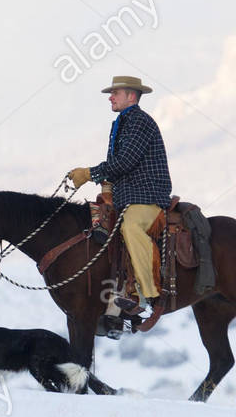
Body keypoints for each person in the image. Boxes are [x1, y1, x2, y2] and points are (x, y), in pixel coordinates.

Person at [68, 75, 172, 315]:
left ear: (132, 96)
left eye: (116, 93)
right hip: (127, 197)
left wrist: (88, 173)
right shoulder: (121, 123)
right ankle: (114, 309)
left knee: (131, 227)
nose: (110, 98)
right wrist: (106, 190)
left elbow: (124, 162)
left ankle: (147, 293)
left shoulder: (138, 122)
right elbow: (117, 166)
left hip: (147, 196)